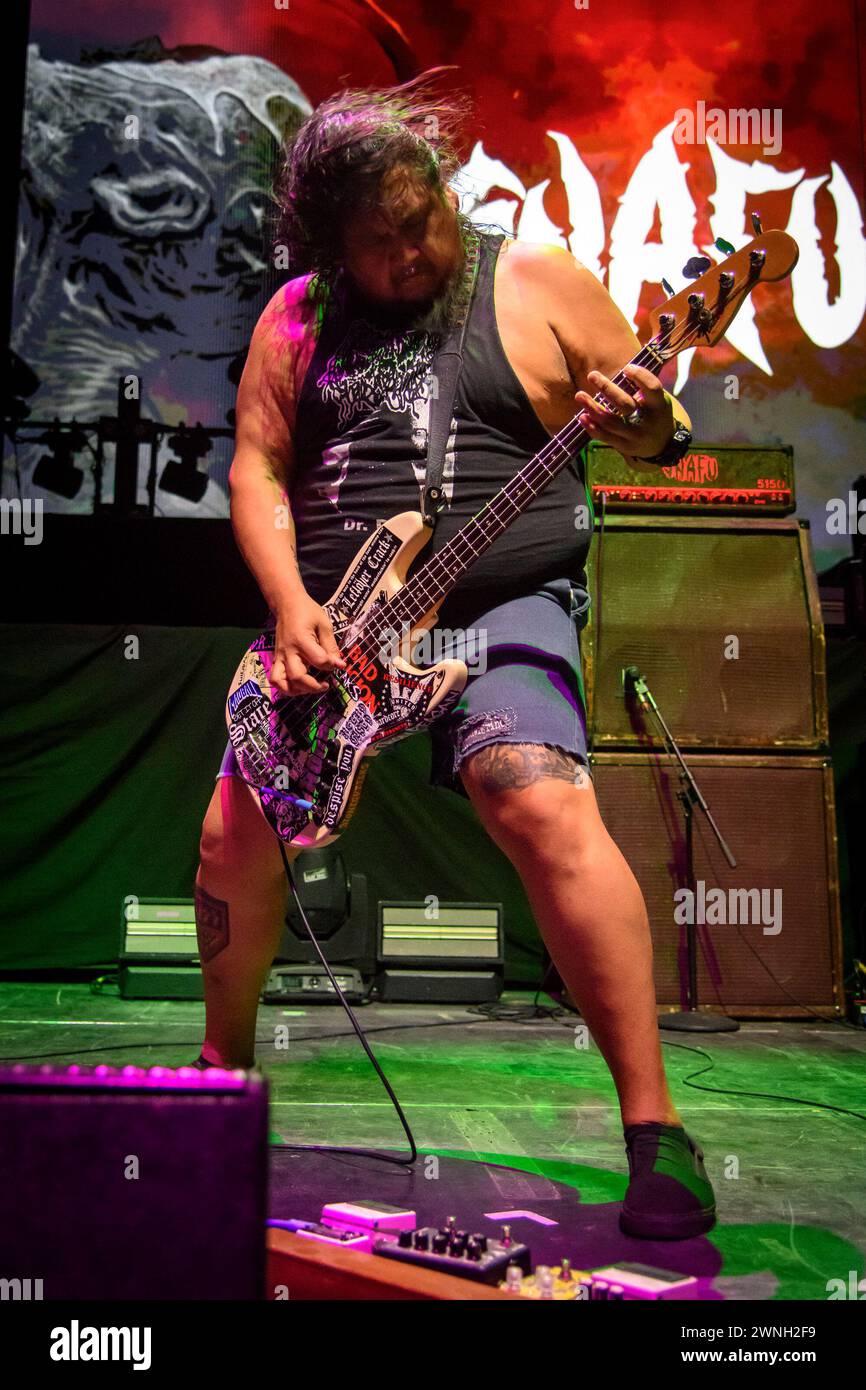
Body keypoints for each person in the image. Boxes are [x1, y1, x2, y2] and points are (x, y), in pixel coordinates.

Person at [192, 75, 716, 1240]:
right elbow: (256, 472)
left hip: (501, 604)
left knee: (529, 787)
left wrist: (648, 424)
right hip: (336, 625)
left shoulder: (530, 279)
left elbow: (662, 427)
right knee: (239, 826)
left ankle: (654, 1133)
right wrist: (288, 604)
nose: (414, 251)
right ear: (327, 247)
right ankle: (213, 1095)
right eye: (379, 244)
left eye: (422, 217)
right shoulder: (295, 320)